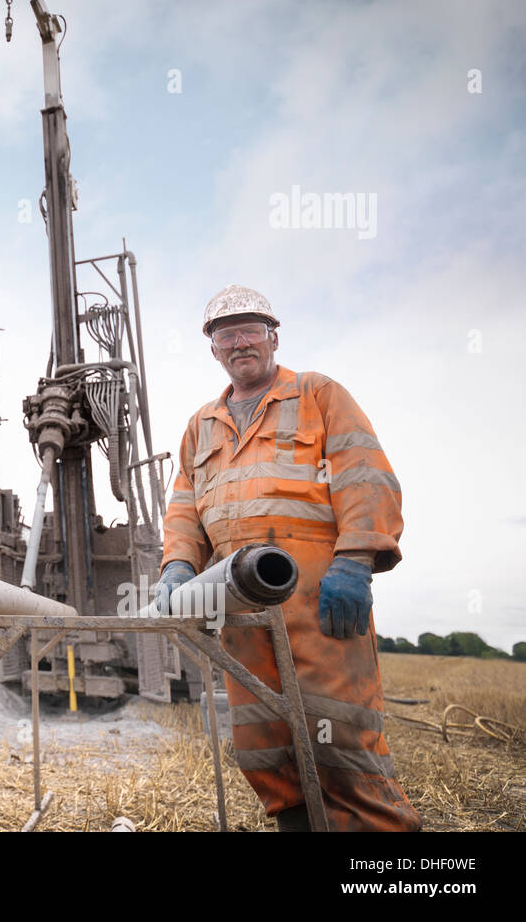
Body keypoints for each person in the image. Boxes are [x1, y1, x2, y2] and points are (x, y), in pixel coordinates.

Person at [157, 284, 421, 832]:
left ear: (273, 337)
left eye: (250, 330)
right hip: (237, 597)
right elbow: (183, 506)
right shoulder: (201, 425)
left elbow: (363, 474)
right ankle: (298, 824)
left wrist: (356, 560)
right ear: (213, 349)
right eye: (226, 334)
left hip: (317, 593)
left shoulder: (317, 394)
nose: (240, 343)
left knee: (339, 731)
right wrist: (178, 564)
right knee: (262, 738)